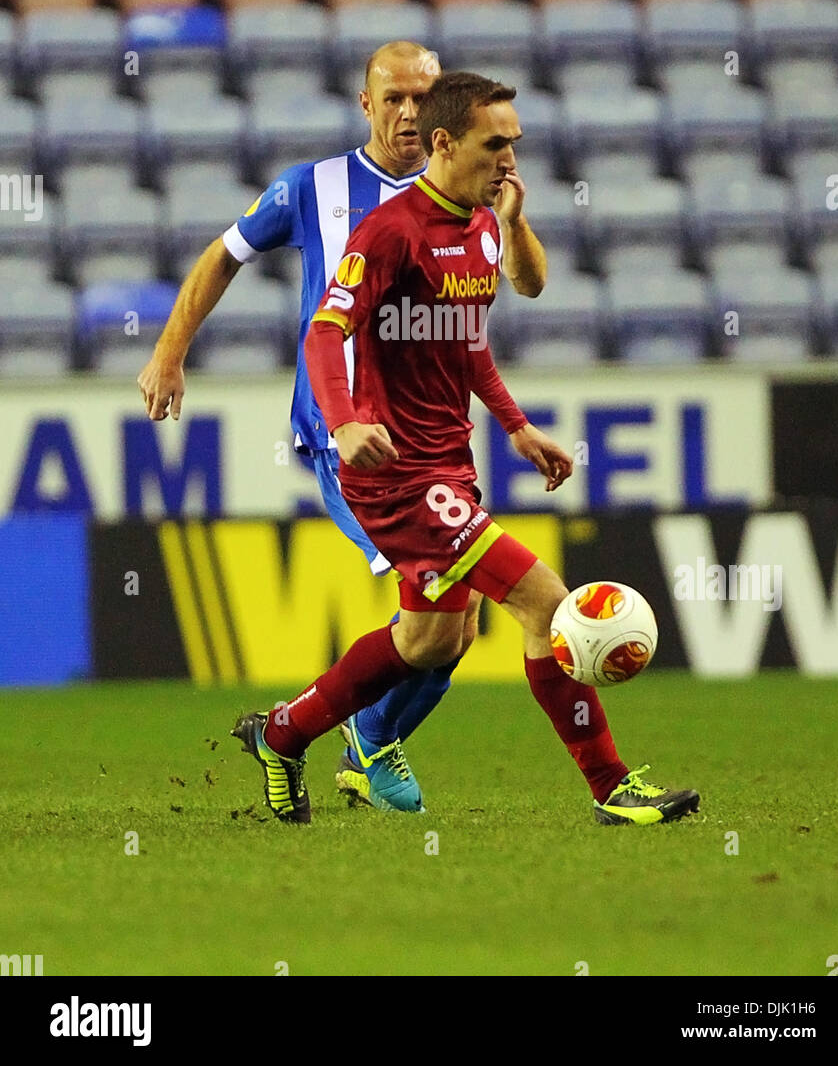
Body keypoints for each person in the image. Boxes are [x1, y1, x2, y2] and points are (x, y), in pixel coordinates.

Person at [232, 71, 700, 827]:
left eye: (515, 143)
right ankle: (614, 788)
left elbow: (468, 343)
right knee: (547, 603)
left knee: (429, 638)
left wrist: (514, 424)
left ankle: (282, 736)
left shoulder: (483, 227)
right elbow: (326, 330)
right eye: (495, 144)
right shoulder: (390, 232)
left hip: (450, 464)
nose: (510, 160)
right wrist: (346, 422)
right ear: (444, 144)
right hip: (394, 475)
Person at [137, 42, 548, 813]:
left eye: (423, 97)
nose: (409, 112)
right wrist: (169, 352)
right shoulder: (312, 187)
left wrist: (512, 223)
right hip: (350, 443)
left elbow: (522, 285)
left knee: (446, 633)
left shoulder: (470, 188)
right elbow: (224, 256)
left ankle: (316, 734)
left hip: (430, 444)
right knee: (444, 620)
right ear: (366, 104)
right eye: (392, 97)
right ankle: (364, 741)